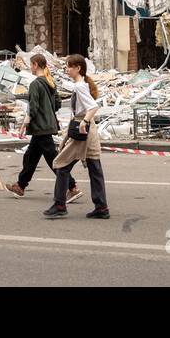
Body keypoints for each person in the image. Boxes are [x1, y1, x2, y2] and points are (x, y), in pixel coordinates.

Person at [6, 54, 81, 204]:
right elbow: (58, 103)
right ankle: (20, 186)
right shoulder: (50, 81)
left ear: (35, 65)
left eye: (31, 65)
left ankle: (72, 187)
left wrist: (24, 124)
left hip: (40, 127)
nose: (30, 68)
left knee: (53, 159)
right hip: (48, 125)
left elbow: (33, 108)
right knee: (30, 157)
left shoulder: (35, 84)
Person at [45, 55, 110, 219]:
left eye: (69, 67)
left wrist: (84, 122)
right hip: (88, 130)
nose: (66, 69)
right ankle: (101, 207)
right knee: (95, 168)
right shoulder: (82, 84)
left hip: (83, 130)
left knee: (62, 164)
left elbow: (93, 106)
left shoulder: (80, 86)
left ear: (78, 68)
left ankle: (60, 204)